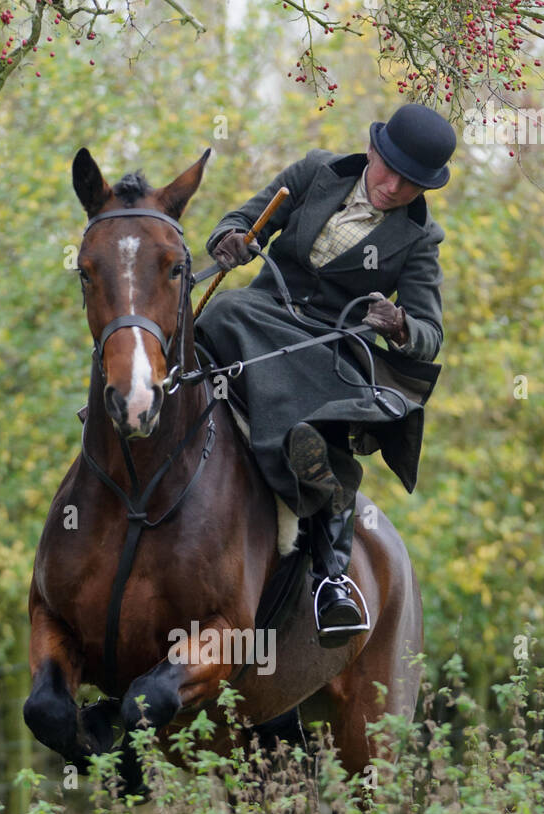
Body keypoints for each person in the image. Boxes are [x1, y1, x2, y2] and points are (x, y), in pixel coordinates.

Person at [195, 103, 455, 646]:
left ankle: (330, 575)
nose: (393, 188)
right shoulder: (315, 171)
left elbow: (431, 332)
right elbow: (241, 221)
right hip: (263, 316)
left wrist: (401, 323)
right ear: (373, 151)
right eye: (389, 170)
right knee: (219, 312)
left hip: (330, 346)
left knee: (314, 415)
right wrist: (231, 241)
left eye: (410, 184)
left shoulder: (421, 239)